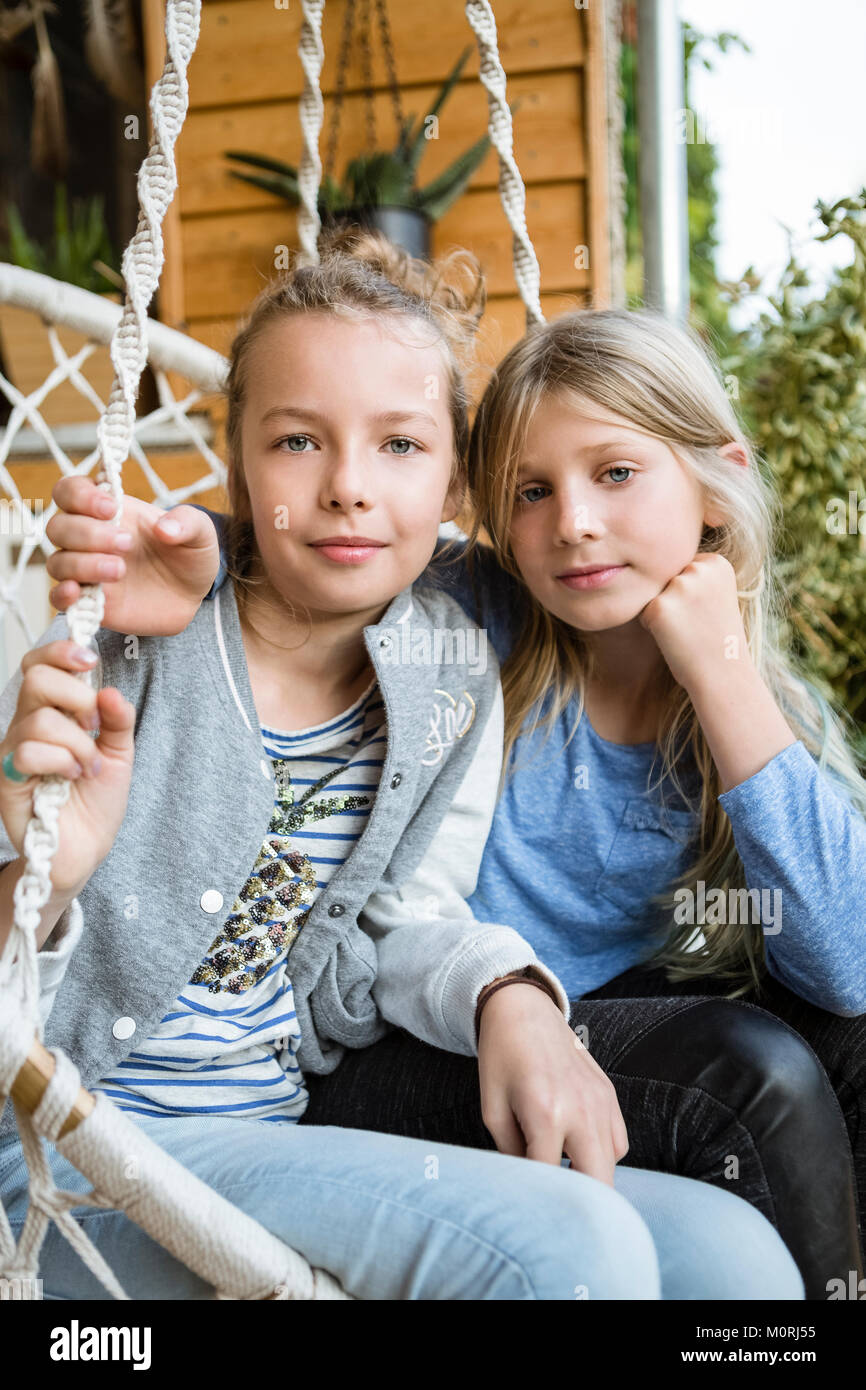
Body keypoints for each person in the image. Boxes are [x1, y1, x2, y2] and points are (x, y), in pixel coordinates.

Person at [11, 231, 812, 1301]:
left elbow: (399, 916)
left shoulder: (447, 676)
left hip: (265, 1138)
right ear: (237, 453)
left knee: (735, 1264)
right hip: (65, 1152)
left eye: (399, 445)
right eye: (298, 442)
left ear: (453, 481)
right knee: (578, 1252)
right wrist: (45, 875)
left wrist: (508, 991)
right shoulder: (117, 630)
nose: (348, 488)